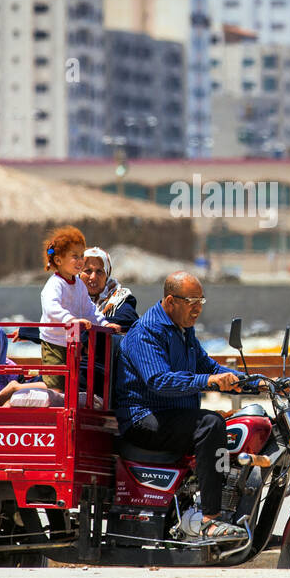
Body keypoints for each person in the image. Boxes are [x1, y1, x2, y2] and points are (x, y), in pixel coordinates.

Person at [116, 271, 246, 540]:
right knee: (211, 424)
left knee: (238, 425)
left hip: (172, 416)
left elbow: (206, 365)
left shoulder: (183, 330)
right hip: (144, 418)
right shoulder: (147, 332)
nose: (198, 307)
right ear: (171, 301)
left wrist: (249, 381)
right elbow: (159, 381)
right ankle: (211, 519)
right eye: (192, 301)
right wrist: (210, 381)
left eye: (201, 300)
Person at [38, 225, 115, 391]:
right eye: (75, 256)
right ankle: (18, 388)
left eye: (82, 255)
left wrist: (103, 323)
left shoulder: (78, 284)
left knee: (70, 383)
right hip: (54, 341)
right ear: (58, 260)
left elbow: (88, 307)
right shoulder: (55, 284)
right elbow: (52, 308)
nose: (81, 260)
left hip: (72, 342)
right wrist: (70, 319)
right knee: (55, 384)